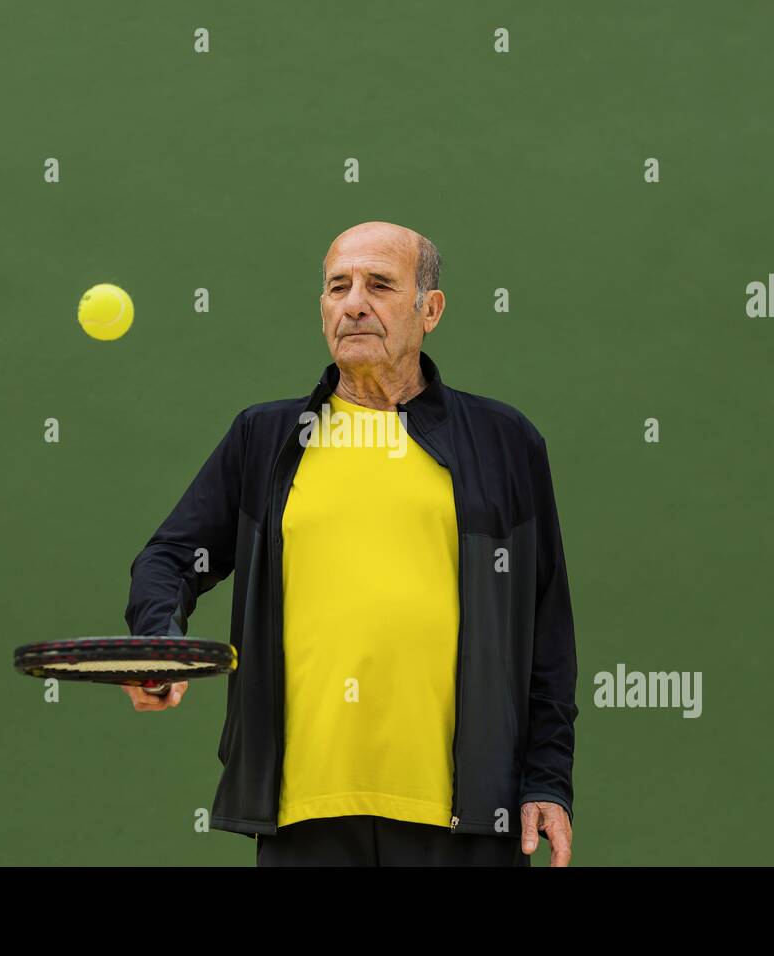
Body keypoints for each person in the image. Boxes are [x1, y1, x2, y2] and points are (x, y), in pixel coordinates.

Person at [124, 221, 578, 866]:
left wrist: (546, 779)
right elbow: (170, 557)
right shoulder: (266, 438)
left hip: (471, 814)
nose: (354, 303)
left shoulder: (504, 442)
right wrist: (158, 642)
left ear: (430, 309)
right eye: (338, 286)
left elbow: (547, 628)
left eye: (380, 285)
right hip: (304, 812)